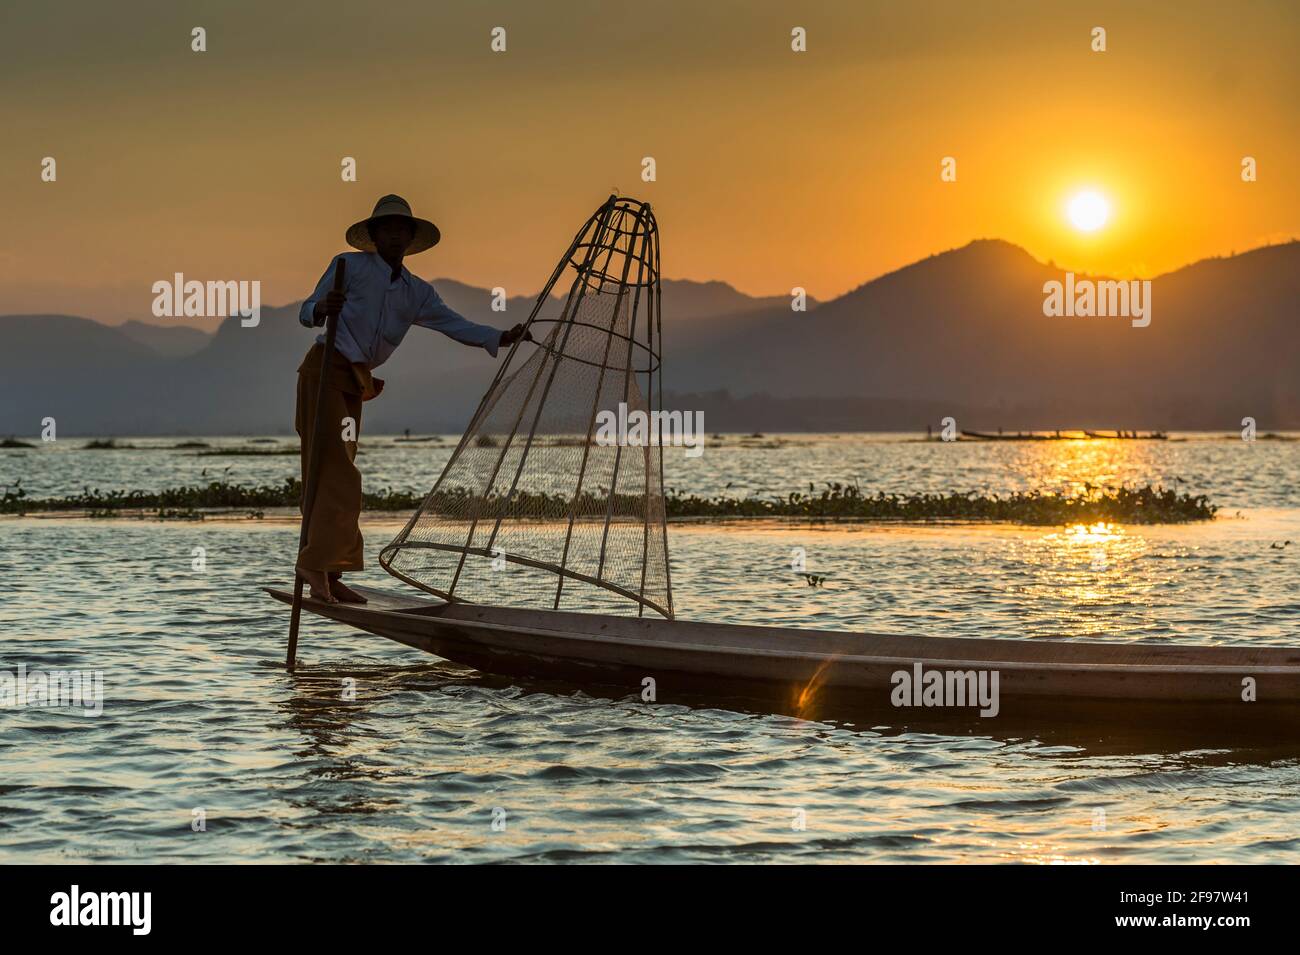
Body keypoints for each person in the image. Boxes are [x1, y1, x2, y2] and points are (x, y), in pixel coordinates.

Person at [295, 194, 527, 604]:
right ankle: (316, 567)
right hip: (324, 370)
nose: (396, 234)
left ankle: (328, 573)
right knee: (333, 472)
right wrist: (322, 307)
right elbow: (307, 309)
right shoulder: (349, 266)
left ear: (410, 236)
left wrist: (500, 338)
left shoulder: (416, 292)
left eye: (402, 228)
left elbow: (454, 324)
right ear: (375, 235)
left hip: (354, 380)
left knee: (336, 470)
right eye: (388, 228)